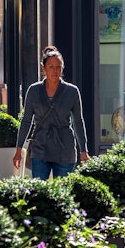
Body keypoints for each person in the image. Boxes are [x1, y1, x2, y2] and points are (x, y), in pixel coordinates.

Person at [13, 46, 90, 180]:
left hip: (65, 148)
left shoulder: (72, 92)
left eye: (58, 67)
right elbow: (26, 121)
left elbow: (78, 121)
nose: (55, 71)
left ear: (62, 68)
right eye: (51, 67)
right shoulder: (34, 90)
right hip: (40, 147)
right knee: (40, 191)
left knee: (62, 192)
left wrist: (83, 150)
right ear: (44, 68)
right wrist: (19, 150)